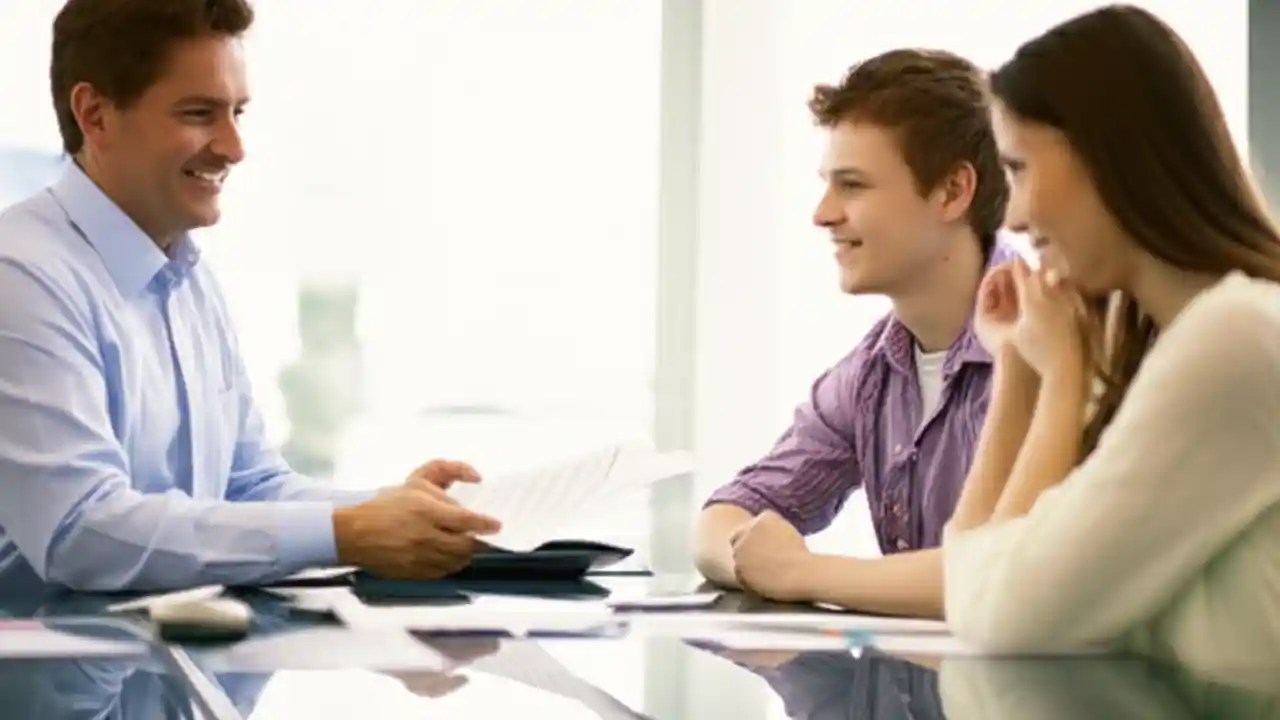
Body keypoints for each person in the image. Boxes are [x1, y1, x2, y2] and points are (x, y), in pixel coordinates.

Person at [0, 0, 500, 592]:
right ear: (96, 114)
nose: (234, 147)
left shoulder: (185, 275)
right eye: (199, 113)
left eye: (237, 112)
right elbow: (81, 531)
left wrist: (396, 509)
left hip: (161, 662)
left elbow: (249, 485)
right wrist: (348, 532)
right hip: (46, 676)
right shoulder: (22, 275)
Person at [941, 5, 1280, 675]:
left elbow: (1008, 614)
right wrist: (1018, 369)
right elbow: (976, 584)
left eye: (1020, 168)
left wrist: (1062, 379)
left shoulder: (1236, 338)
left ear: (1107, 151)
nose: (1011, 214)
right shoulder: (1160, 345)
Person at [695, 48, 1012, 616]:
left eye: (853, 185)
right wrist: (755, 557)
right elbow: (725, 516)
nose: (822, 213)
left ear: (951, 192)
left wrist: (802, 572)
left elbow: (1007, 573)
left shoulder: (1053, 345)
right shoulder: (871, 372)